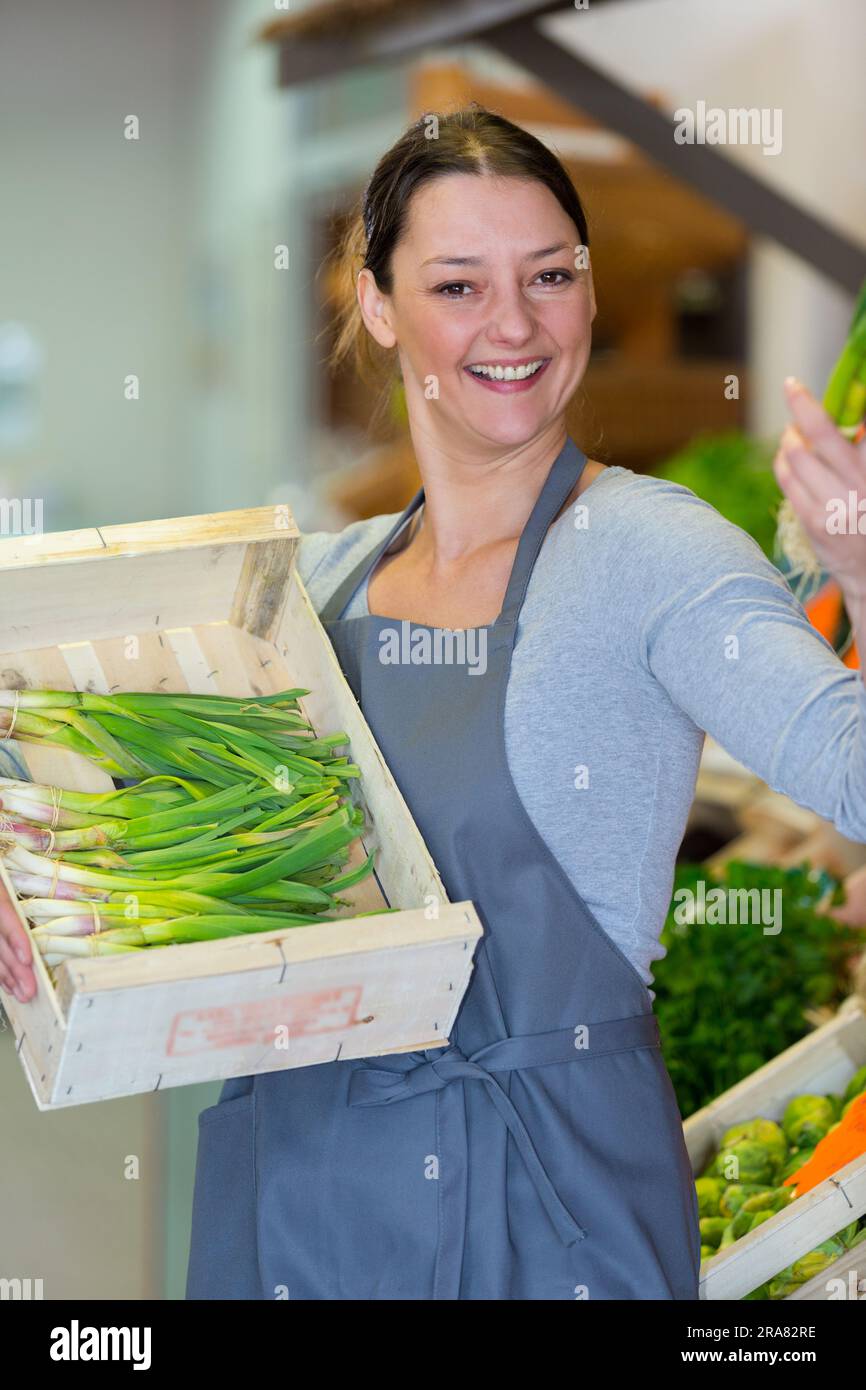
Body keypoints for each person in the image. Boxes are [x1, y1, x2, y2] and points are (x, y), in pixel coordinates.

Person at [3, 107, 865, 1300]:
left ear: (587, 290)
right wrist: (45, 915)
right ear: (376, 305)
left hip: (543, 1210)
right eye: (456, 285)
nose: (511, 324)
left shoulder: (640, 552)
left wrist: (861, 571)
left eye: (547, 275)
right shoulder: (307, 590)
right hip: (294, 1198)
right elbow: (133, 865)